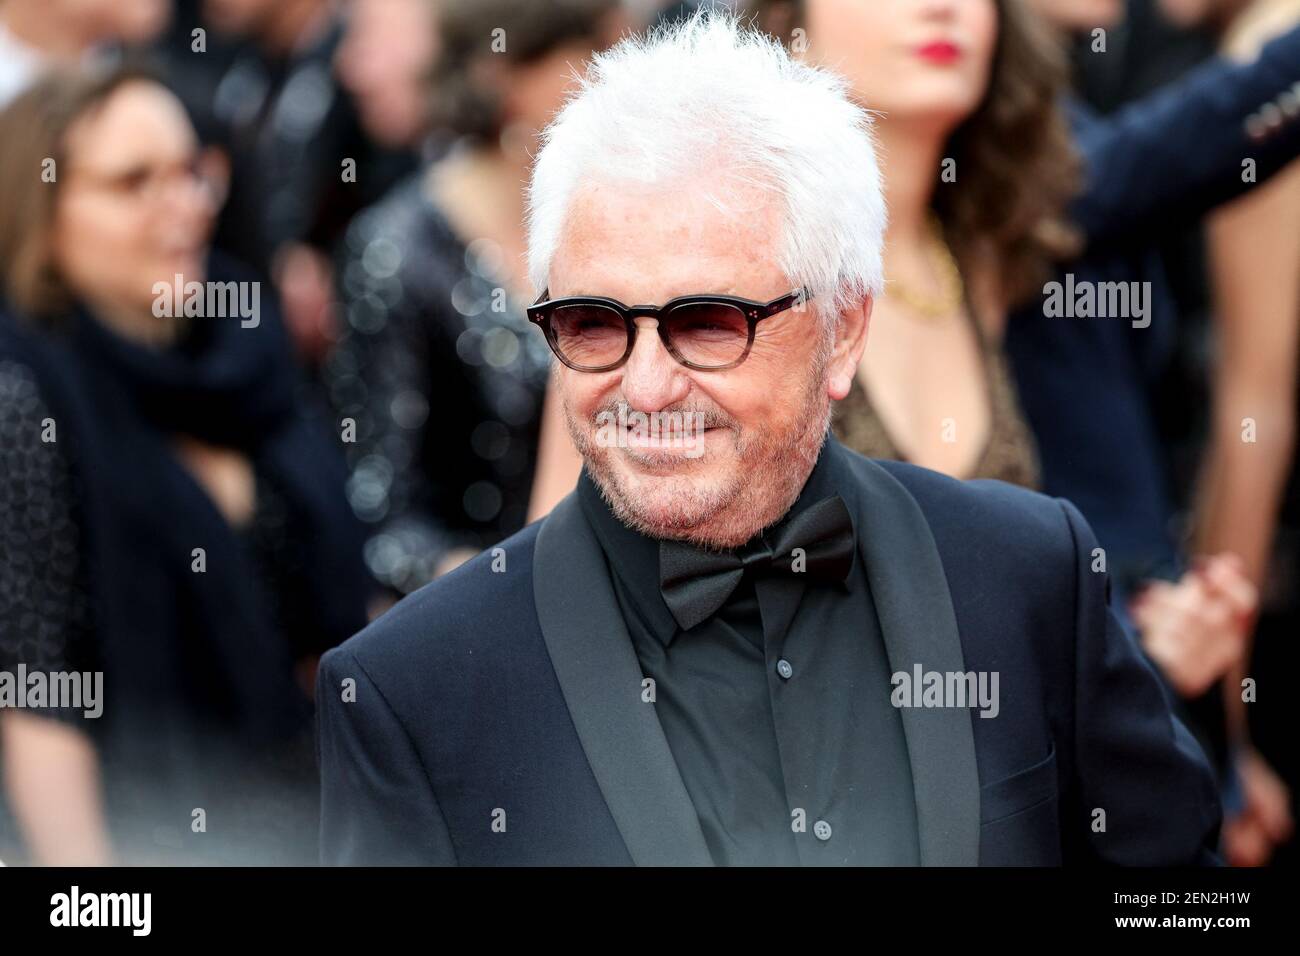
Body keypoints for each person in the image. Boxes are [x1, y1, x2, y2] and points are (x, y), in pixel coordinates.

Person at [317, 10, 1219, 866]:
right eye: (593, 323)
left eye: (708, 321)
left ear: (843, 331)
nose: (646, 386)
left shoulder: (1028, 576)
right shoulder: (413, 693)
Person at [0, 65, 368, 864]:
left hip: (324, 813)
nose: (185, 207)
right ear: (42, 210)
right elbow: (35, 693)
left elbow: (337, 605)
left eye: (191, 172)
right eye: (135, 182)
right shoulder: (24, 396)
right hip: (151, 836)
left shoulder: (251, 349)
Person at [323, 0, 630, 599]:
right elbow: (383, 516)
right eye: (591, 61)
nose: (616, 89)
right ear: (503, 75)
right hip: (493, 607)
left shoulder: (623, 220)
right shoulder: (398, 253)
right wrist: (505, 591)